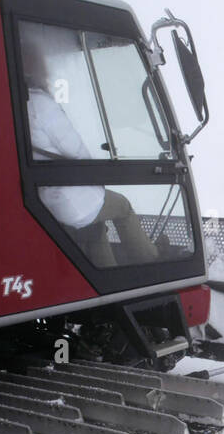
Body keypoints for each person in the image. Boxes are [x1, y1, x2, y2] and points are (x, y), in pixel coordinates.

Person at [21, 32, 159, 267]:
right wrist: (101, 171)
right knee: (122, 207)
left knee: (94, 227)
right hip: (68, 198)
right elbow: (75, 151)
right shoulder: (40, 104)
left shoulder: (20, 104)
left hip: (47, 198)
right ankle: (151, 261)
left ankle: (107, 273)